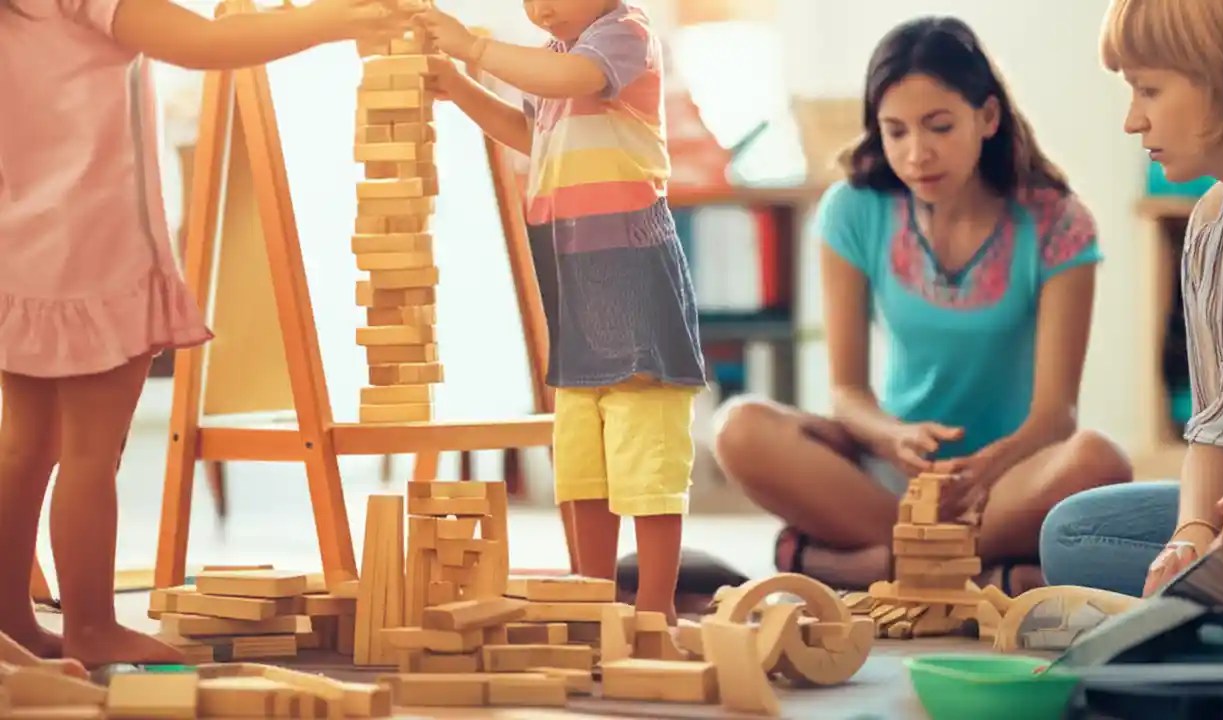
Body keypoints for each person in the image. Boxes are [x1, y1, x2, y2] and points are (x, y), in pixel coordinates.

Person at [0, 0, 410, 668]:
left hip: (22, 240)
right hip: (94, 249)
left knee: (26, 445)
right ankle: (93, 625)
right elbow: (203, 43)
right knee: (89, 454)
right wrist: (336, 19)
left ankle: (9, 616)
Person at [713, 16, 1133, 595]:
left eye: (938, 126)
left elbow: (1055, 416)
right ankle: (976, 573)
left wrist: (987, 468)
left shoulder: (1058, 222)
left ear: (987, 118)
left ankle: (860, 566)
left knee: (1101, 461)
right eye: (896, 131)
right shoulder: (854, 211)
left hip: (1004, 480)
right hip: (889, 474)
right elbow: (848, 395)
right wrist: (891, 437)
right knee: (738, 427)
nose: (916, 154)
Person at [415, 1, 706, 625]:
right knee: (581, 457)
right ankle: (593, 599)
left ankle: (655, 610)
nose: (541, 6)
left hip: (632, 275)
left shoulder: (624, 37)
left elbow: (578, 79)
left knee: (646, 445)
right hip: (574, 289)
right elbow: (531, 133)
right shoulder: (552, 64)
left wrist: (475, 50)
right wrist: (463, 87)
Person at [1040, 0, 1223, 598]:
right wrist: (1191, 534)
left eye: (1148, 90)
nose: (1132, 121)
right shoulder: (1210, 226)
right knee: (1072, 532)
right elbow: (1220, 426)